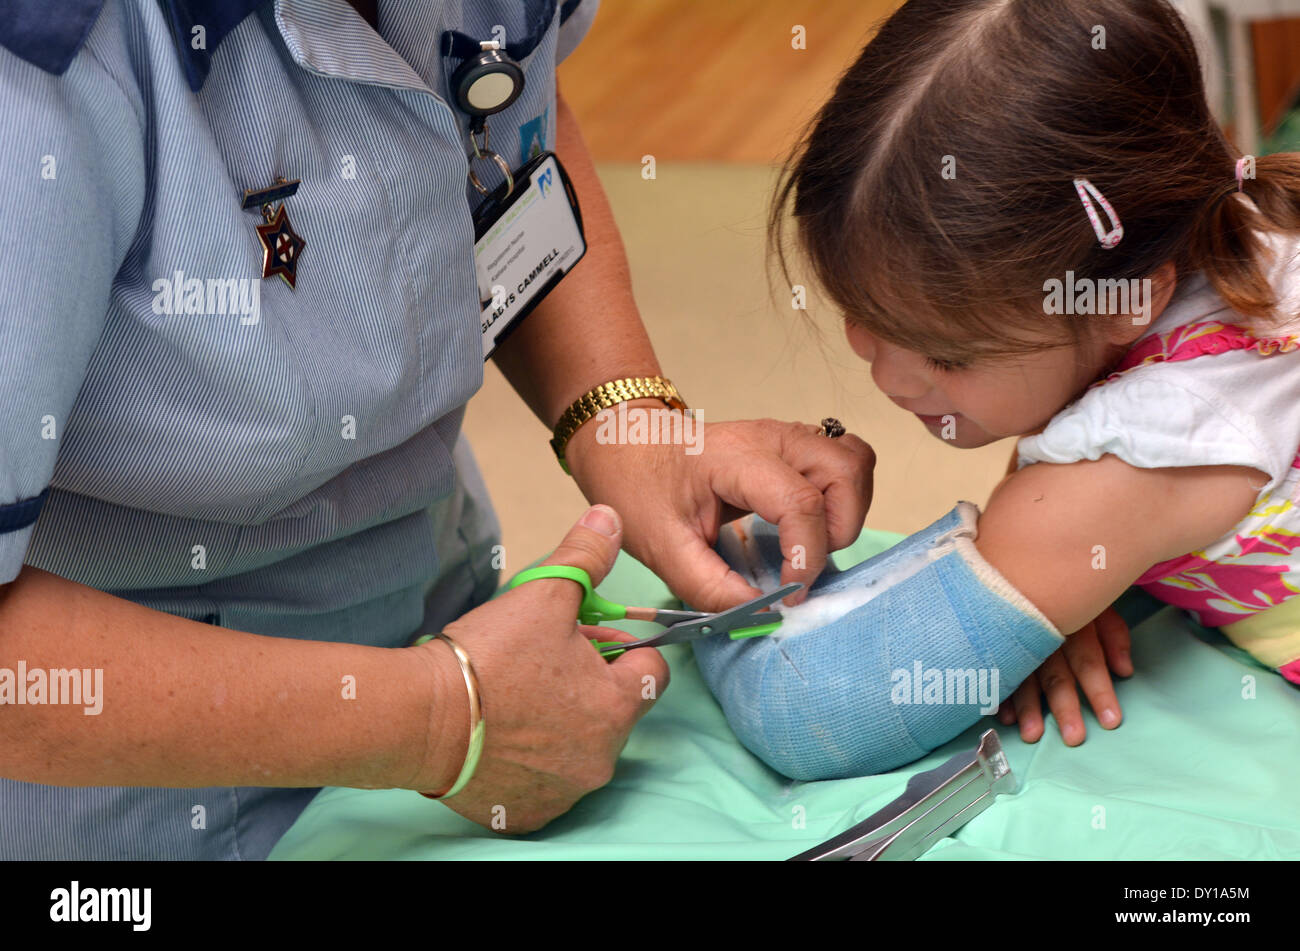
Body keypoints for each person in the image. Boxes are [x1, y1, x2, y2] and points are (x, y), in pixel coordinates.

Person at [0, 0, 875, 859]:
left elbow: (502, 116)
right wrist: (437, 717)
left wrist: (622, 414)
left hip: (460, 626)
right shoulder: (37, 75)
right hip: (127, 795)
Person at [693, 0, 1300, 780]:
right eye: (861, 316)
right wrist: (1070, 581)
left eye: (948, 353)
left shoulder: (1138, 455)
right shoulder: (1236, 223)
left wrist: (731, 563)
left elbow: (810, 711)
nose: (889, 376)